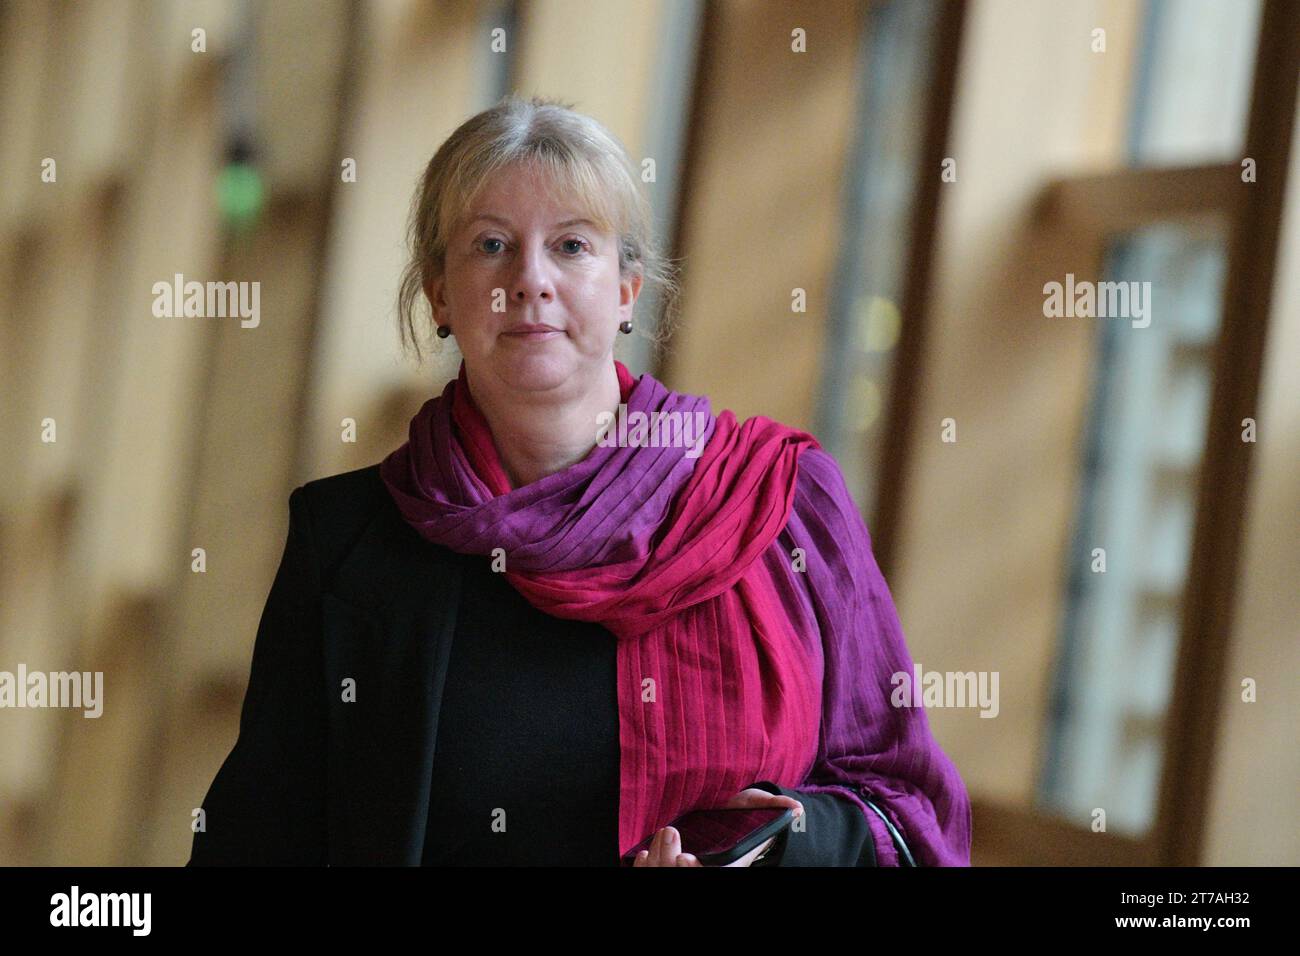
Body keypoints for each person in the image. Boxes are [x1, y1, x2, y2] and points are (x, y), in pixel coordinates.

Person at [188, 94, 971, 867]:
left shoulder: (783, 501)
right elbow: (256, 843)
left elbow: (907, 811)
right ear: (438, 292)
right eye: (491, 245)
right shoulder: (349, 540)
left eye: (571, 246)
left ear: (627, 288)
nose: (530, 279)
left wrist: (774, 854)